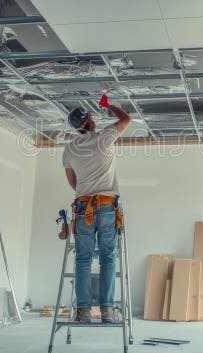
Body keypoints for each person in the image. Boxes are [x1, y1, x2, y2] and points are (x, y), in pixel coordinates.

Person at [62, 99, 132, 323]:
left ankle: (83, 312)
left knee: (82, 259)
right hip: (106, 206)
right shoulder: (104, 137)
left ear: (76, 127)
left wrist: (87, 190)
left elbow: (73, 183)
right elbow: (127, 119)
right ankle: (107, 312)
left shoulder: (69, 149)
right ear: (90, 121)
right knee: (108, 258)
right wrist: (109, 104)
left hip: (83, 208)